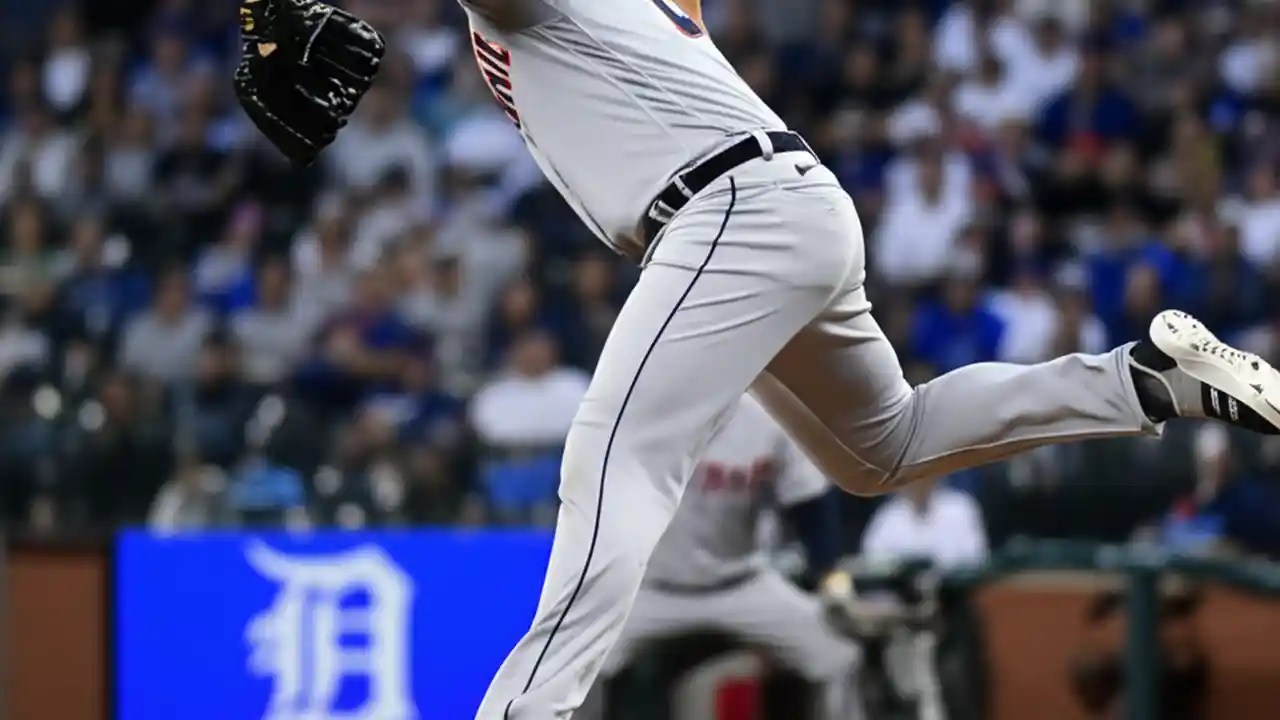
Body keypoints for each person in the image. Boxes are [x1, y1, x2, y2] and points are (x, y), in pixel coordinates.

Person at [443, 0, 1280, 716]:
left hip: (726, 210)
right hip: (783, 204)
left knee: (618, 455)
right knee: (886, 446)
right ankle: (1147, 381)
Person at [579, 395, 858, 720]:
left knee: (839, 653)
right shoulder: (641, 416)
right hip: (650, 587)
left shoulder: (771, 419)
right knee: (577, 662)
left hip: (741, 584)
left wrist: (828, 574)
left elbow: (810, 505)